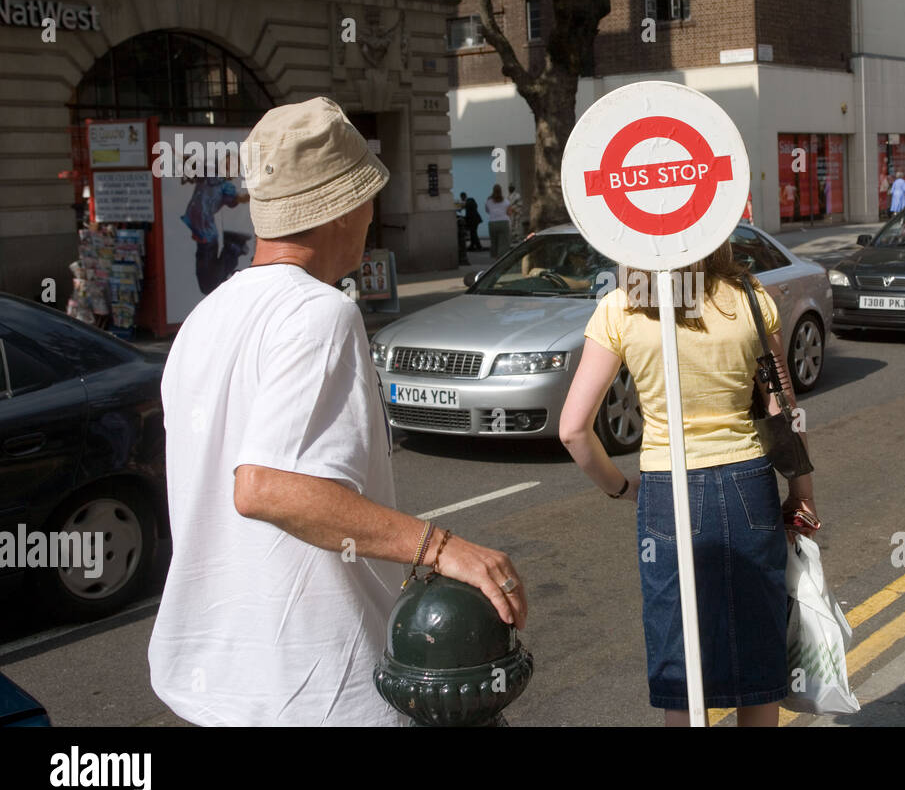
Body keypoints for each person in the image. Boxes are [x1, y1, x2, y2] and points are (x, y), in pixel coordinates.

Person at [148, 97, 527, 726]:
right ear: (345, 207)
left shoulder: (205, 318)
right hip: (318, 687)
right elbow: (266, 488)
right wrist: (439, 547)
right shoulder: (320, 312)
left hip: (216, 683)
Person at [558, 242, 819, 727]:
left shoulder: (622, 305)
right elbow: (784, 405)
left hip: (665, 487)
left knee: (678, 646)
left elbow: (573, 430)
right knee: (756, 640)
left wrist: (621, 488)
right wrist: (802, 493)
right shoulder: (748, 294)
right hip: (749, 484)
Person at [181, 174, 252, 295]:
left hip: (207, 236)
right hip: (202, 234)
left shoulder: (224, 187)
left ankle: (233, 248)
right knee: (209, 284)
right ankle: (233, 247)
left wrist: (249, 196)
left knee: (208, 286)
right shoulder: (208, 176)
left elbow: (236, 199)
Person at [485, 183, 511, 258]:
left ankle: (495, 257)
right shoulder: (505, 201)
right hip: (503, 222)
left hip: (492, 223)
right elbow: (509, 212)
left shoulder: (489, 201)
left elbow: (487, 210)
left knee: (494, 242)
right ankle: (501, 258)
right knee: (504, 243)